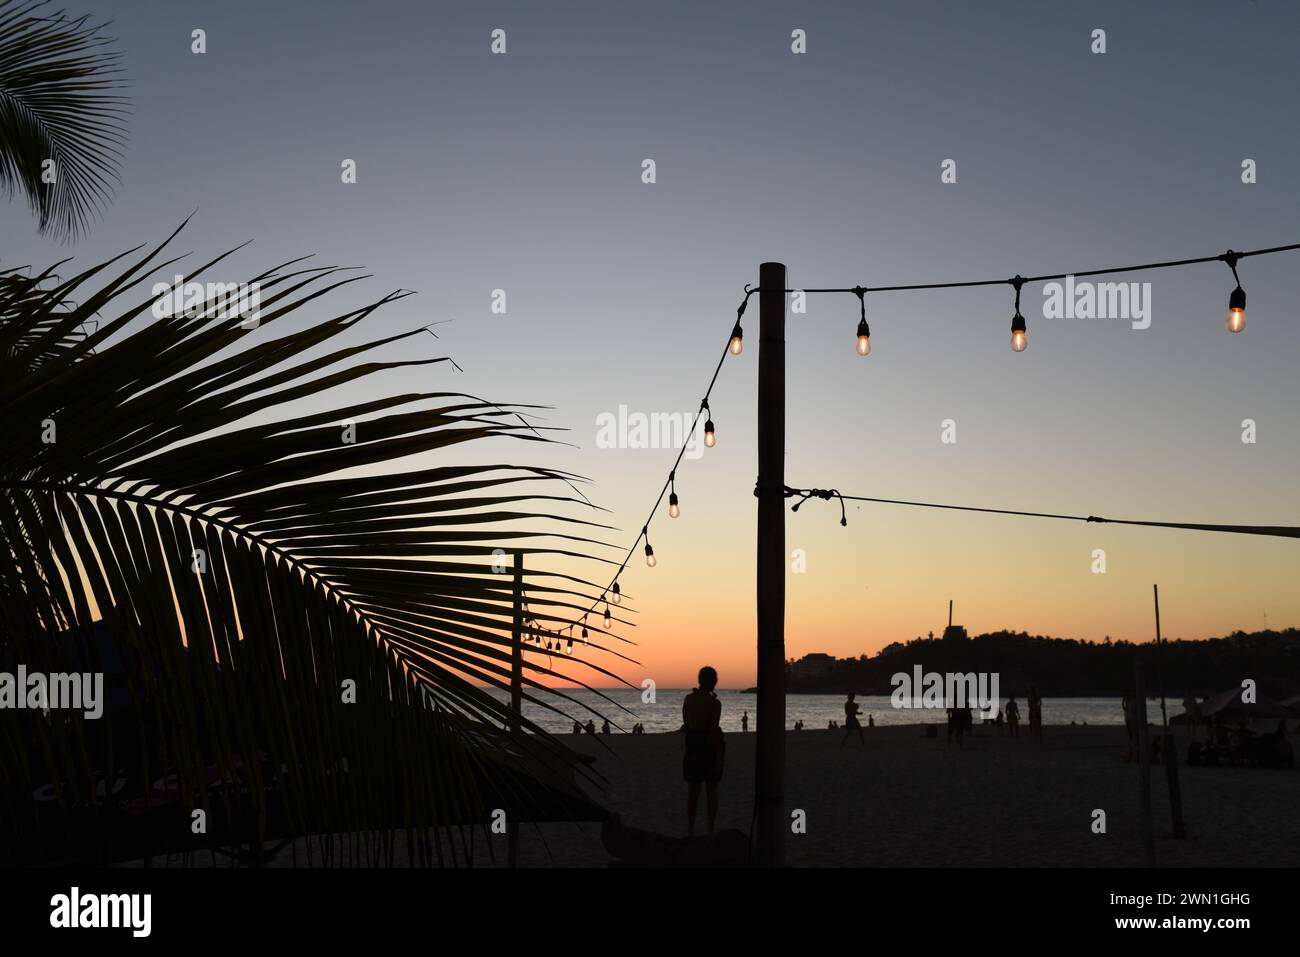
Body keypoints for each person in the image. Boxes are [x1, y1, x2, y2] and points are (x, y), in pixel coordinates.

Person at [682, 666, 724, 837]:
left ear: (700, 680)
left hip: (692, 746)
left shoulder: (688, 699)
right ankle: (710, 828)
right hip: (708, 747)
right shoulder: (714, 703)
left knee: (693, 791)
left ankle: (691, 829)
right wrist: (719, 755)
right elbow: (713, 730)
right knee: (711, 790)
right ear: (714, 682)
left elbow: (687, 724)